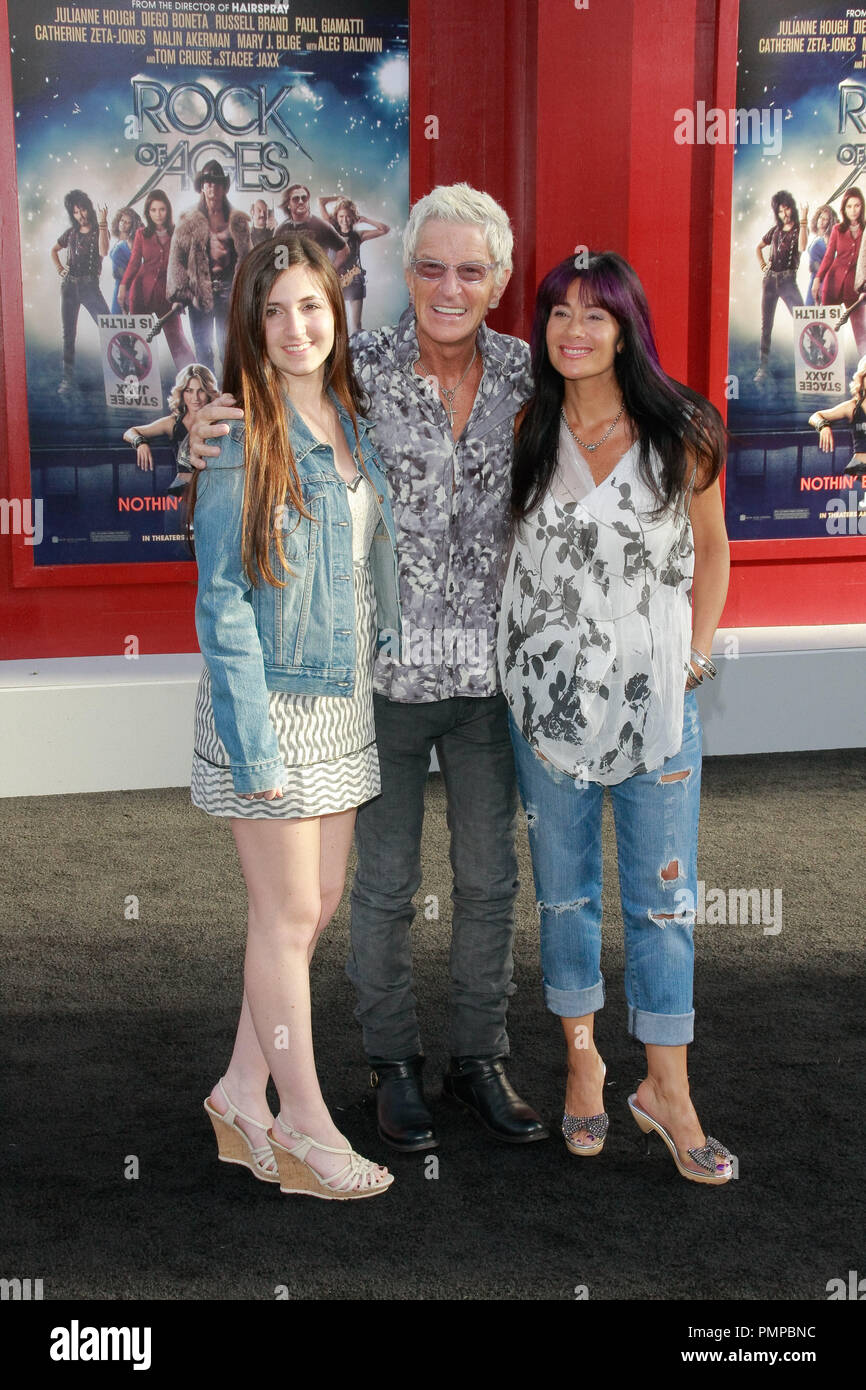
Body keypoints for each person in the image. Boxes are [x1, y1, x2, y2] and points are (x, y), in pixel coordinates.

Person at [185, 184, 547, 1154]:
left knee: (485, 883)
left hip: (484, 683)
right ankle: (388, 1069)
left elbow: (612, 409)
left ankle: (476, 1057)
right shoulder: (364, 372)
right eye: (427, 265)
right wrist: (197, 433)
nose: (446, 285)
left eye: (469, 269)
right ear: (402, 273)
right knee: (365, 893)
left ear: (499, 281)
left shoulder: (527, 373)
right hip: (371, 680)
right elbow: (255, 430)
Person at [498, 251, 735, 1185]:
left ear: (628, 326)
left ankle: (667, 1091)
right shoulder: (526, 427)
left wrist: (700, 653)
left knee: (664, 901)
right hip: (544, 705)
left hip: (659, 704)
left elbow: (712, 552)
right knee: (564, 892)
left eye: (596, 315)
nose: (574, 330)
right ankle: (583, 1060)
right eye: (559, 312)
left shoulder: (682, 430)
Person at [190, 233, 401, 1199]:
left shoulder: (346, 418)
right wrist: (252, 742)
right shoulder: (238, 433)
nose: (295, 327)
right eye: (272, 311)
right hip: (267, 705)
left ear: (337, 308)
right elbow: (223, 599)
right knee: (281, 918)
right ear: (250, 324)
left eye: (310, 305)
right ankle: (307, 1132)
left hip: (341, 699)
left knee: (310, 912)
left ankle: (241, 1089)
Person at [167, 160, 251, 375]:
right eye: (208, 183)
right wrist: (178, 294)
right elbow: (177, 258)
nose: (213, 187)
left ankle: (232, 394)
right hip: (199, 294)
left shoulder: (238, 221)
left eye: (217, 183)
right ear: (202, 187)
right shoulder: (188, 220)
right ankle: (210, 396)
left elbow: (249, 258)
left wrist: (249, 293)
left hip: (229, 293)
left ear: (224, 187)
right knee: (203, 350)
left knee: (229, 350)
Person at [119, 189, 195, 371]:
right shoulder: (141, 234)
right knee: (138, 342)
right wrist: (123, 286)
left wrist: (182, 295)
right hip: (140, 293)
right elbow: (134, 262)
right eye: (153, 210)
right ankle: (139, 383)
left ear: (167, 210)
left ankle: (192, 379)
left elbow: (184, 265)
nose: (158, 214)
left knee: (177, 340)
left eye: (161, 209)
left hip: (168, 296)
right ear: (148, 212)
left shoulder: (178, 232)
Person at [122, 363, 219, 496]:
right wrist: (140, 443)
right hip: (181, 492)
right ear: (181, 393)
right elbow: (130, 432)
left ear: (208, 393)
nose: (195, 398)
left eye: (201, 390)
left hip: (212, 491)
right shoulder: (172, 423)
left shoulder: (219, 422)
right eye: (189, 390)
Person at [50, 189, 110, 398]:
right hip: (69, 287)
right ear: (72, 214)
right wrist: (60, 269)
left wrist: (103, 223)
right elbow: (53, 250)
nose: (81, 215)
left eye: (83, 209)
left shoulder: (99, 230)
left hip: (90, 287)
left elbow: (104, 251)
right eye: (76, 212)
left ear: (89, 208)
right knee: (69, 335)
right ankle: (68, 380)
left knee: (109, 327)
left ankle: (120, 377)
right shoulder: (71, 233)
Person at [753, 190, 808, 384]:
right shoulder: (774, 231)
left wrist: (804, 219)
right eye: (781, 210)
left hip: (787, 281)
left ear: (792, 207)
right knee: (766, 326)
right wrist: (762, 265)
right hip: (769, 281)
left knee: (804, 321)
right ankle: (763, 368)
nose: (785, 213)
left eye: (787, 208)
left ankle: (810, 364)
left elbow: (802, 247)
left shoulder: (798, 230)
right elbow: (758, 247)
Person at [319, 196, 390, 332]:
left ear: (353, 218)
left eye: (348, 216)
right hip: (334, 279)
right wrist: (337, 198)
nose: (344, 220)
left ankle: (356, 351)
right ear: (336, 216)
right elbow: (321, 201)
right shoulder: (331, 231)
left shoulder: (358, 235)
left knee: (356, 326)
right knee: (333, 324)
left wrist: (365, 219)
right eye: (341, 216)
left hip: (354, 280)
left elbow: (384, 229)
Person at [808, 355, 866, 476]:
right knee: (852, 495)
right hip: (858, 473)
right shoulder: (853, 407)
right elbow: (815, 416)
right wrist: (823, 426)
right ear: (861, 378)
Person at [814, 188, 864, 314]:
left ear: (862, 206)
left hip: (855, 289)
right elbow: (828, 256)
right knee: (826, 329)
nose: (853, 210)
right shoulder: (837, 229)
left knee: (860, 332)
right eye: (849, 206)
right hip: (832, 284)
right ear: (844, 208)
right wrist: (818, 278)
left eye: (857, 206)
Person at [275, 185, 346, 257]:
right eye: (296, 199)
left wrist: (331, 267)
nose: (301, 201)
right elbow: (279, 262)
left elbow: (344, 250)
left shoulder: (322, 226)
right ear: (288, 204)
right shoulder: (281, 230)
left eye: (304, 198)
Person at [109, 207, 143, 314]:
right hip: (118, 284)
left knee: (127, 320)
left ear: (132, 226)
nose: (123, 224)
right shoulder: (119, 240)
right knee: (117, 322)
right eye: (122, 220)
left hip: (127, 285)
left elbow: (135, 264)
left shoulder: (131, 242)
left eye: (128, 223)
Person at [805, 204, 838, 306]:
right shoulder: (815, 237)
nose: (821, 221)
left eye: (826, 219)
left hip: (823, 280)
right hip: (814, 278)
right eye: (820, 217)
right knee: (809, 315)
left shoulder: (828, 238)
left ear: (830, 222)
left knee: (823, 315)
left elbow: (830, 259)